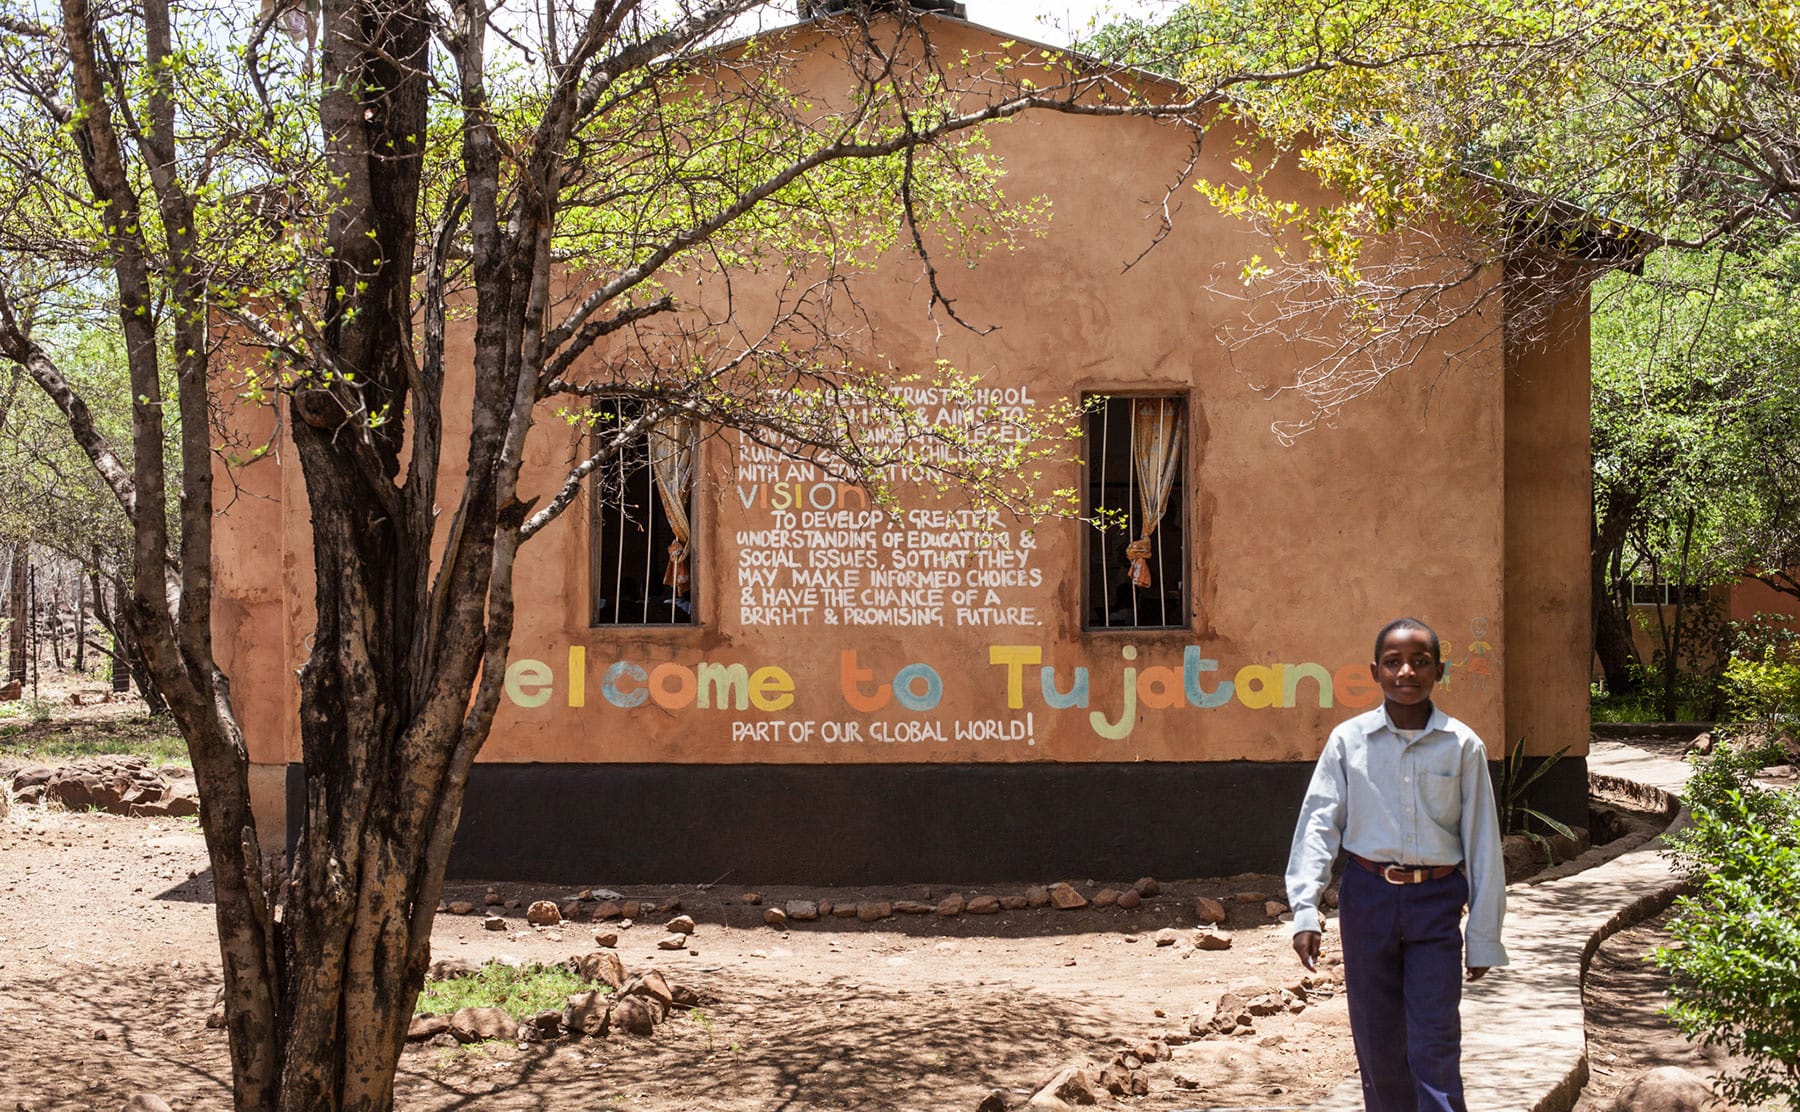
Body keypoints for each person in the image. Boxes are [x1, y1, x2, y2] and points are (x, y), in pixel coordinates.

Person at [1285, 617, 1509, 1112]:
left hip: (1436, 902)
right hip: (1368, 897)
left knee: (1435, 1038)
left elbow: (1481, 843)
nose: (1406, 671)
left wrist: (1484, 935)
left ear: (1439, 671)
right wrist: (1305, 911)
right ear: (1375, 671)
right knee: (1377, 1041)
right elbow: (1319, 825)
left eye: (1420, 661)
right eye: (1393, 662)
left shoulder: (1462, 745)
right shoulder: (1348, 741)